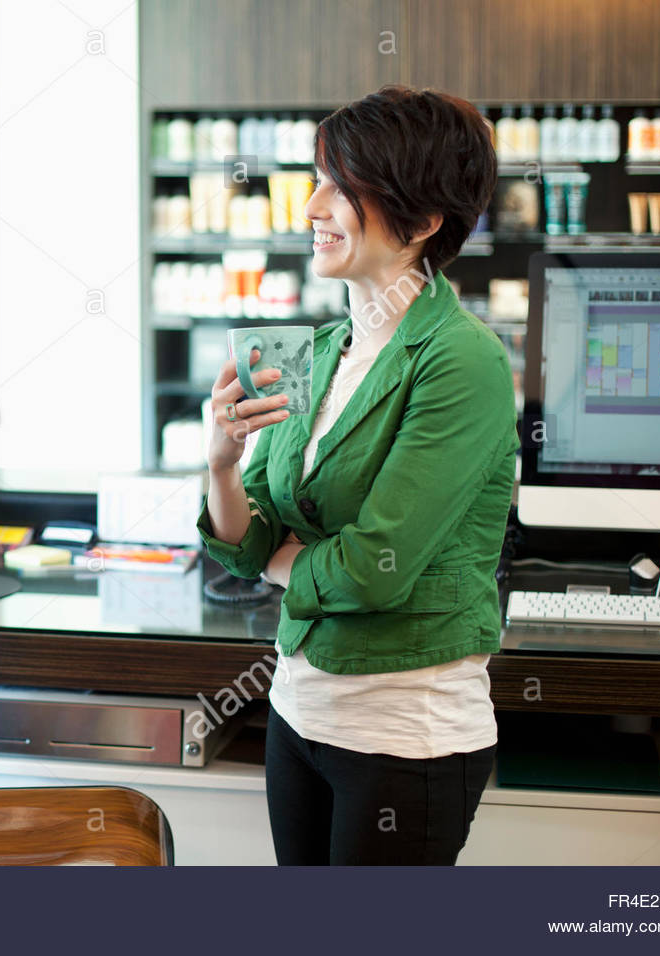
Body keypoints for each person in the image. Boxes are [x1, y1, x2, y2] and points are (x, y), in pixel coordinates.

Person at [198, 86, 516, 865]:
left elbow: (377, 569)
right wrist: (220, 462)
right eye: (317, 180)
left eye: (342, 187)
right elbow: (251, 538)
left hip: (406, 734)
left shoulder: (461, 359)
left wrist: (276, 561)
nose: (312, 205)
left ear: (424, 219)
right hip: (299, 712)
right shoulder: (313, 350)